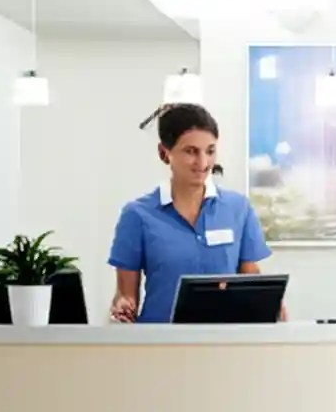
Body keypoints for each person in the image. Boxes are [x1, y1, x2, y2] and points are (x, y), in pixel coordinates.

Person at [107, 103, 284, 323]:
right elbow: (125, 295)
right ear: (164, 153)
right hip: (158, 345)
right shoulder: (137, 215)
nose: (203, 163)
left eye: (210, 151)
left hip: (224, 344)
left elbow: (252, 282)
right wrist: (122, 306)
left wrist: (276, 313)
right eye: (191, 151)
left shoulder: (238, 209)